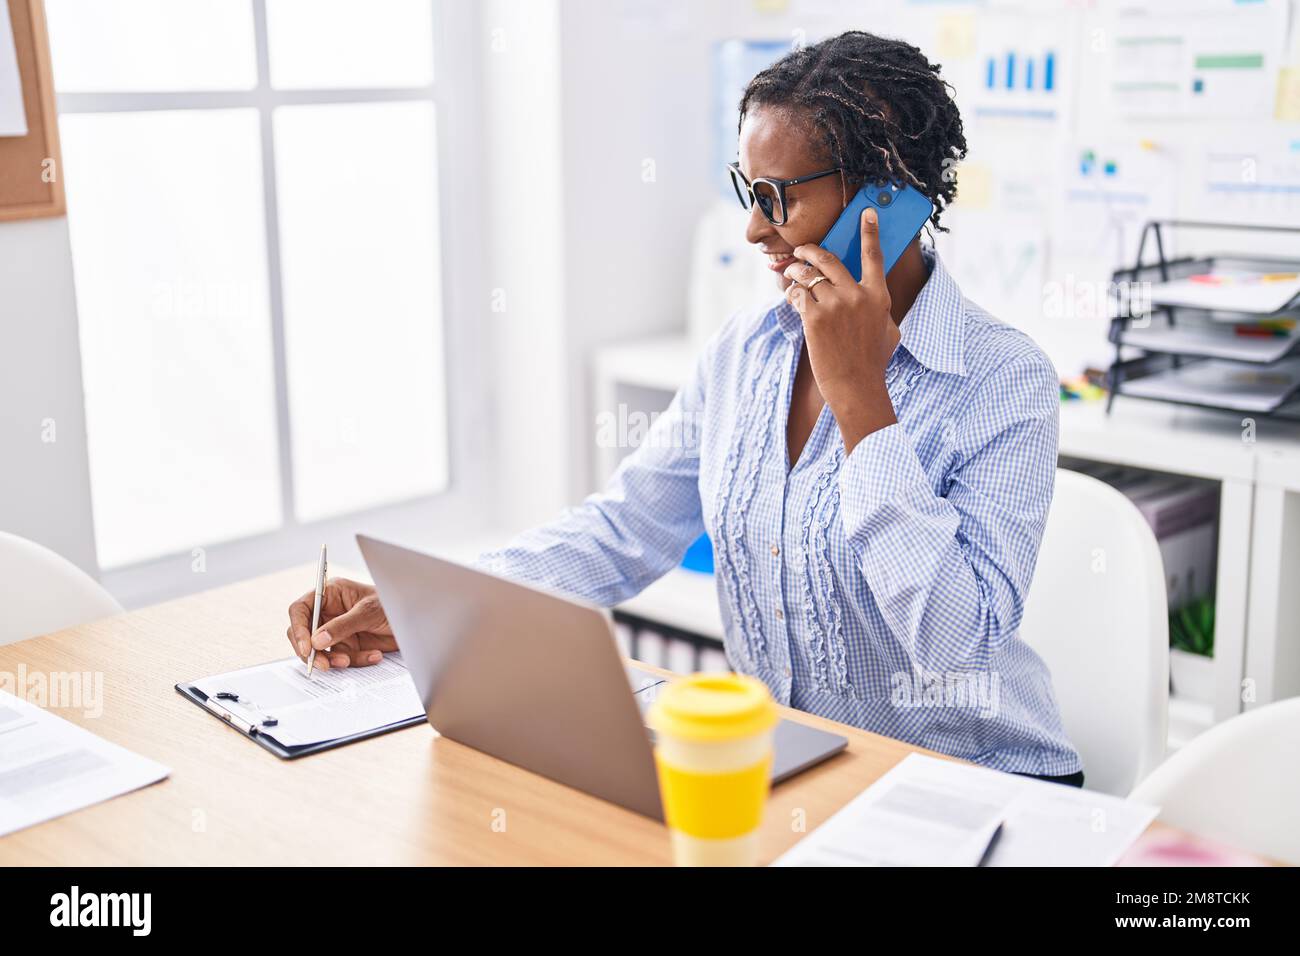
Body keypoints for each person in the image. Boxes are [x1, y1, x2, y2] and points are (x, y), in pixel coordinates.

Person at [287, 31, 1083, 784]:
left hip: (973, 790)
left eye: (777, 198)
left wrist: (861, 402)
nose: (752, 230)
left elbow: (959, 649)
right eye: (748, 191)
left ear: (887, 201)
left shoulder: (1002, 380)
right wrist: (431, 605)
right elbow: (624, 529)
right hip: (798, 772)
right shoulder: (745, 352)